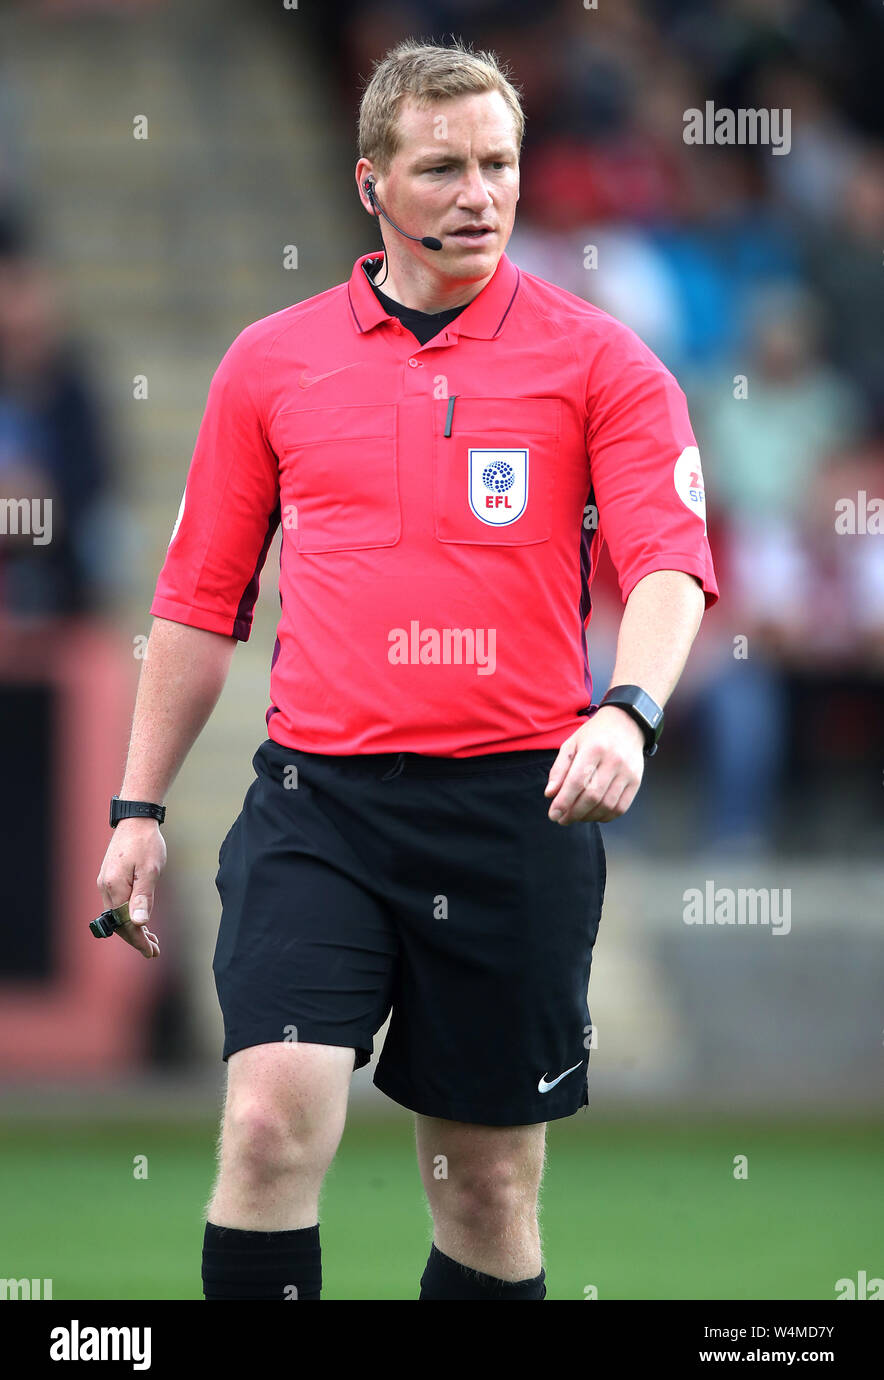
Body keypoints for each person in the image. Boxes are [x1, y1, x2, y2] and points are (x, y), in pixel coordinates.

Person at [95, 38, 718, 1301]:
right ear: (371, 181)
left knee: (482, 1188)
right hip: (320, 806)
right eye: (442, 168)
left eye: (498, 164)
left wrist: (629, 712)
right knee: (269, 1122)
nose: (478, 194)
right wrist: (137, 806)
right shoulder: (269, 364)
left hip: (513, 813)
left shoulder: (601, 363)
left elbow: (667, 564)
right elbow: (197, 604)